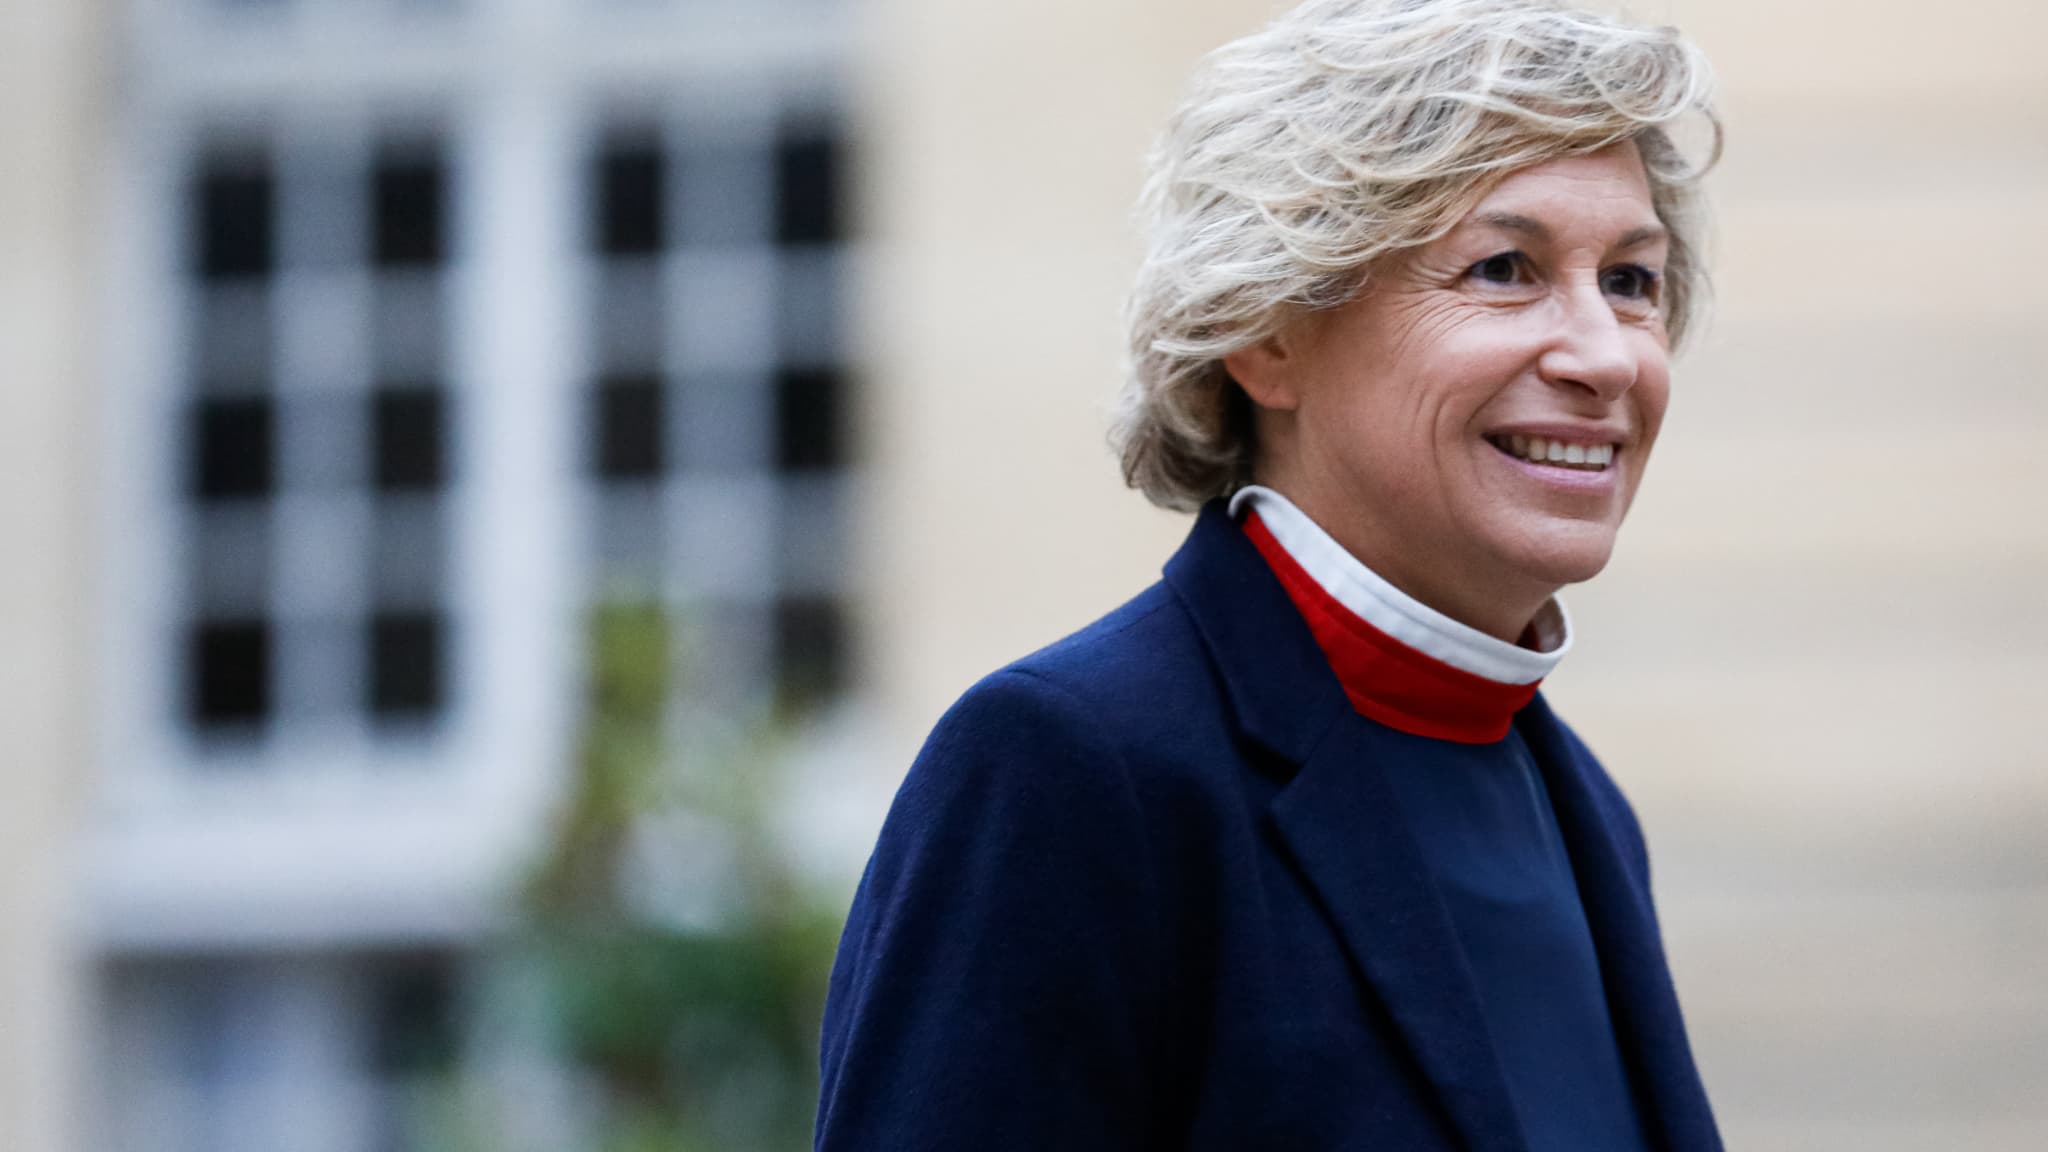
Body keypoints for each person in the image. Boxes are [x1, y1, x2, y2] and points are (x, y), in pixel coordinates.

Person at [816, 0, 1724, 1147]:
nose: (1602, 356)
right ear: (1264, 332)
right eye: (1504, 268)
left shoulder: (1581, 805)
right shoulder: (1072, 770)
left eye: (1631, 282)